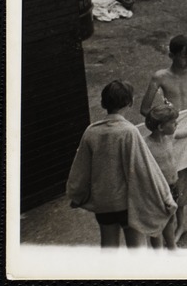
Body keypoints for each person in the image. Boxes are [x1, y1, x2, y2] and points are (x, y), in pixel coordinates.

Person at [66, 80, 176, 248]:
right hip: (127, 203)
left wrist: (76, 194)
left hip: (103, 202)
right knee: (137, 248)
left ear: (103, 103)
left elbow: (81, 167)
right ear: (129, 103)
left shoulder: (90, 132)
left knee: (109, 247)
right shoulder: (129, 131)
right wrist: (166, 197)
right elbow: (145, 168)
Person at [139, 34, 187, 242]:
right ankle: (181, 223)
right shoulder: (160, 76)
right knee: (179, 178)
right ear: (171, 55)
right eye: (184, 57)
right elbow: (145, 108)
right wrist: (164, 120)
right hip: (172, 131)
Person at [144, 104, 187, 249]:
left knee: (170, 218)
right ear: (160, 127)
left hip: (173, 186)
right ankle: (158, 253)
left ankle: (171, 247)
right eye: (173, 122)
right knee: (157, 223)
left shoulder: (170, 136)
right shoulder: (145, 145)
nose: (177, 124)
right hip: (157, 190)